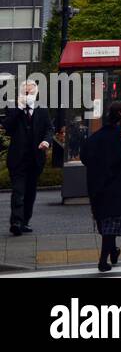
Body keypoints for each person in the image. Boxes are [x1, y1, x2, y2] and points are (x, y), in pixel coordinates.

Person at [82, 101, 121, 273]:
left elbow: (84, 157)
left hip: (97, 185)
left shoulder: (96, 137)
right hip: (118, 186)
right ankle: (103, 260)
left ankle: (113, 251)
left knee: (105, 223)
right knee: (113, 222)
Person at [3, 80, 53, 236]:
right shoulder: (12, 108)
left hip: (35, 158)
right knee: (18, 190)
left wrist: (46, 141)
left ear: (36, 94)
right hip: (17, 158)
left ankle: (25, 221)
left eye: (31, 93)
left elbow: (49, 129)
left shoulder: (42, 110)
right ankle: (16, 222)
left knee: (30, 191)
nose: (28, 96)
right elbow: (7, 127)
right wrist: (19, 108)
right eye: (25, 93)